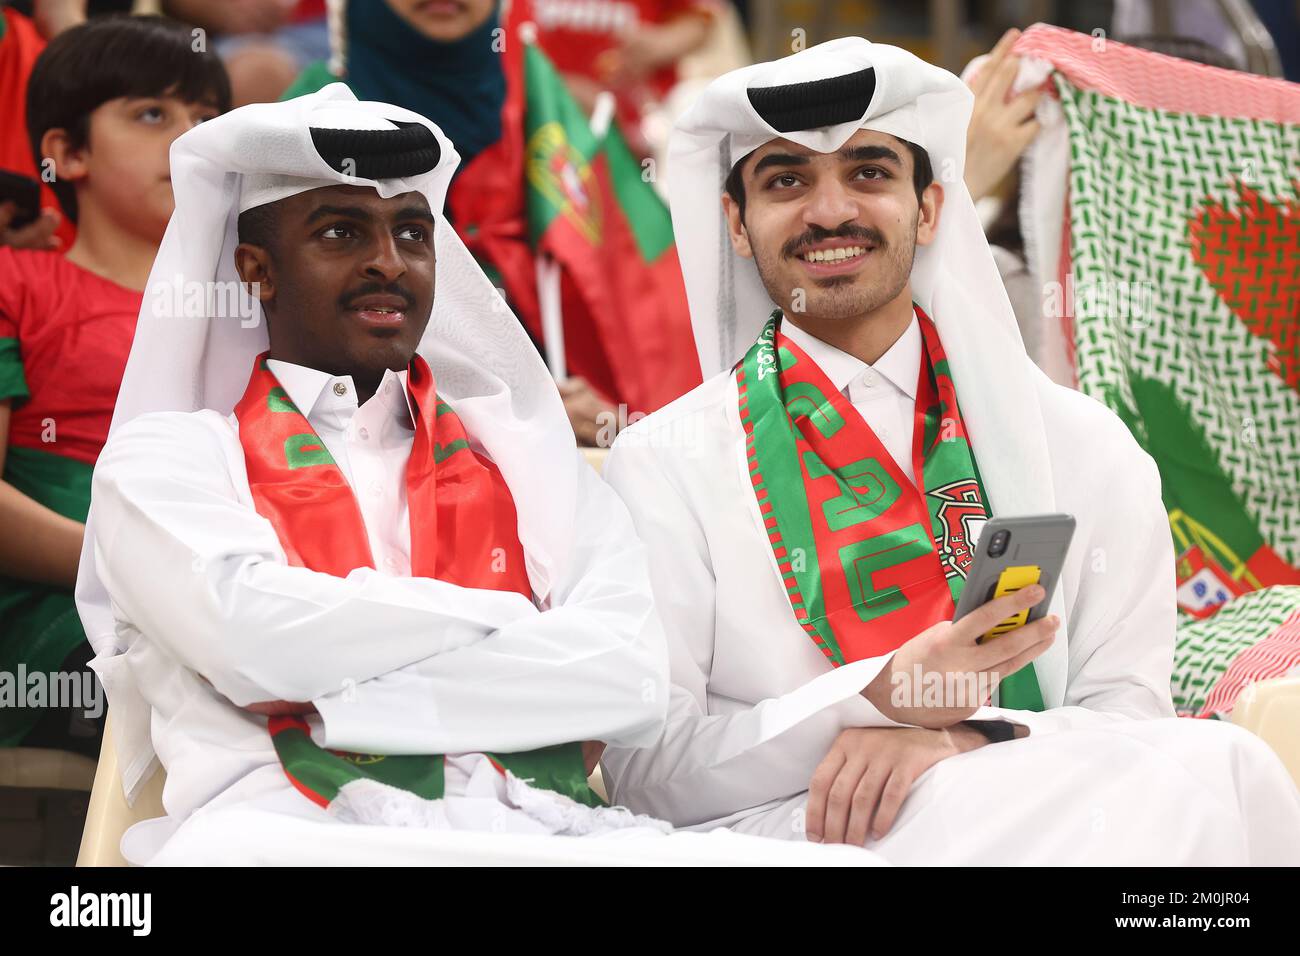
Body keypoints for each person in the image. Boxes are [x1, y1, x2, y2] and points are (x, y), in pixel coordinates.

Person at [75, 84, 872, 865]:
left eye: (413, 234)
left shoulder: (519, 455)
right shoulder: (168, 461)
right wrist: (517, 629)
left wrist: (332, 691)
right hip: (286, 832)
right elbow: (250, 642)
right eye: (341, 234)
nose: (389, 263)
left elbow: (627, 679)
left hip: (539, 829)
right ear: (257, 269)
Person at [596, 37, 1300, 864]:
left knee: (1231, 765)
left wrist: (962, 741)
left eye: (868, 173)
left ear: (930, 208)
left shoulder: (1082, 444)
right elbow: (644, 771)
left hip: (1038, 797)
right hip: (800, 832)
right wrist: (873, 702)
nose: (829, 212)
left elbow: (1129, 721)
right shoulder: (666, 461)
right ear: (736, 226)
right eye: (787, 180)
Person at [0, 15, 229, 760]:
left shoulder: (265, 309)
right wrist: (135, 569)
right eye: (153, 114)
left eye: (208, 118)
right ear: (65, 153)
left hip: (234, 599)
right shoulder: (15, 283)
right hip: (61, 622)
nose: (192, 138)